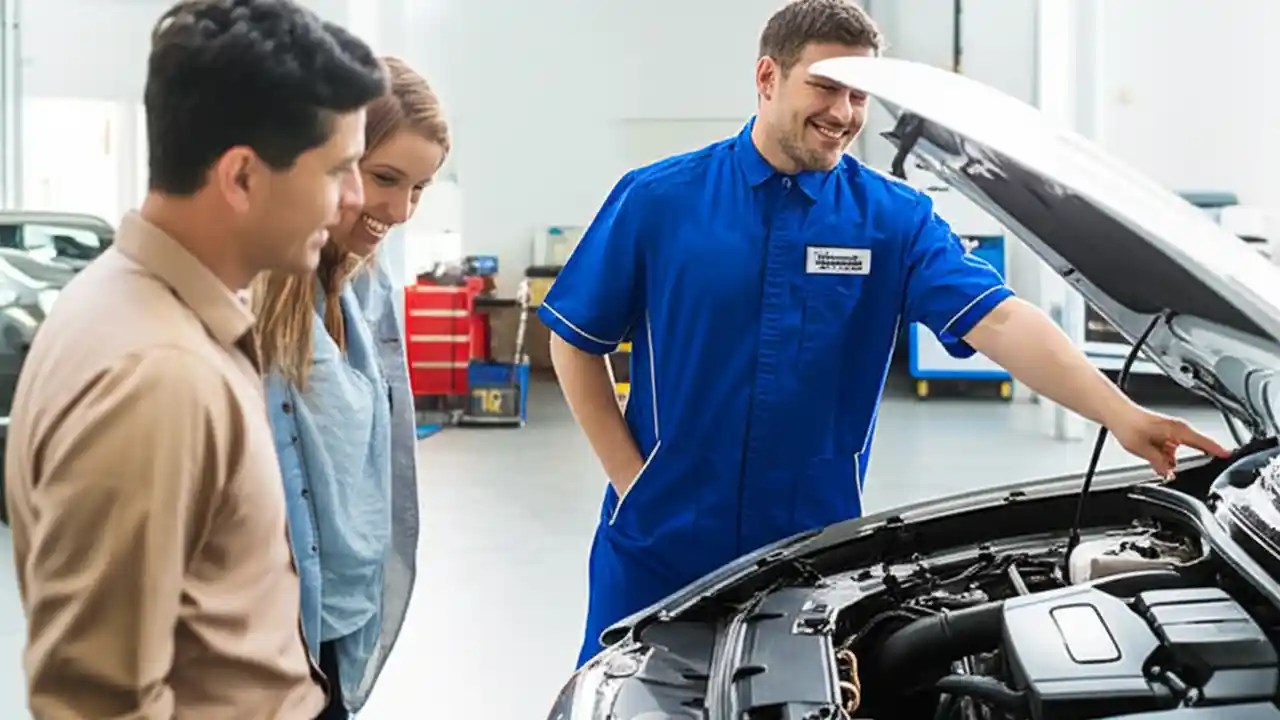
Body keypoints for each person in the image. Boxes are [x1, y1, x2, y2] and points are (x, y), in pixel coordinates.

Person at [540, 0, 1232, 668]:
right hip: (659, 540)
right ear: (767, 78)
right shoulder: (659, 199)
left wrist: (1122, 413)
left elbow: (999, 317)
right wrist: (633, 482)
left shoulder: (893, 219)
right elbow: (574, 339)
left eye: (860, 97)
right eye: (827, 87)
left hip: (809, 548)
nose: (843, 115)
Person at [2, 1, 388, 717]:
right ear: (241, 177)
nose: (355, 200)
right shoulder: (158, 376)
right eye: (338, 170)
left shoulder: (136, 305)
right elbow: (99, 701)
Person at [252, 56, 449, 719]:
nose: (399, 211)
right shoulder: (246, 295)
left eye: (419, 188)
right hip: (257, 645)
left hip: (338, 622)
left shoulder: (368, 287)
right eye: (385, 178)